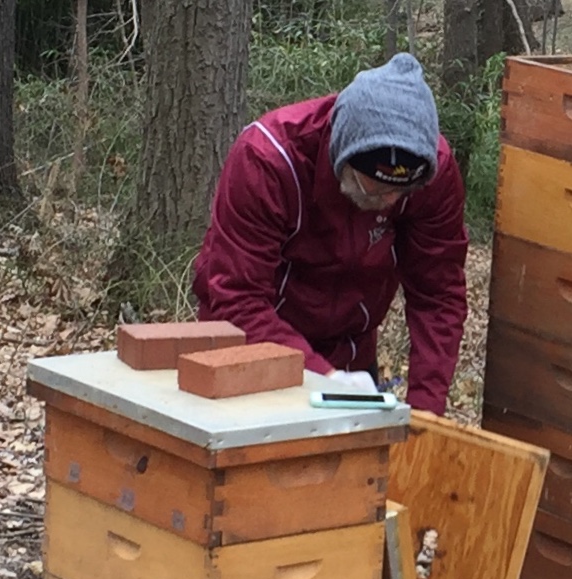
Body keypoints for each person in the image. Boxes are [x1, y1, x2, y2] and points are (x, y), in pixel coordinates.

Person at [192, 52, 469, 415]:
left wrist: (425, 412)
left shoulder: (432, 171)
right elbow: (238, 298)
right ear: (343, 155)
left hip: (351, 359)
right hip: (250, 349)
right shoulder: (267, 160)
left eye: (401, 192)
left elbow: (438, 294)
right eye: (374, 189)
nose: (389, 202)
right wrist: (324, 377)